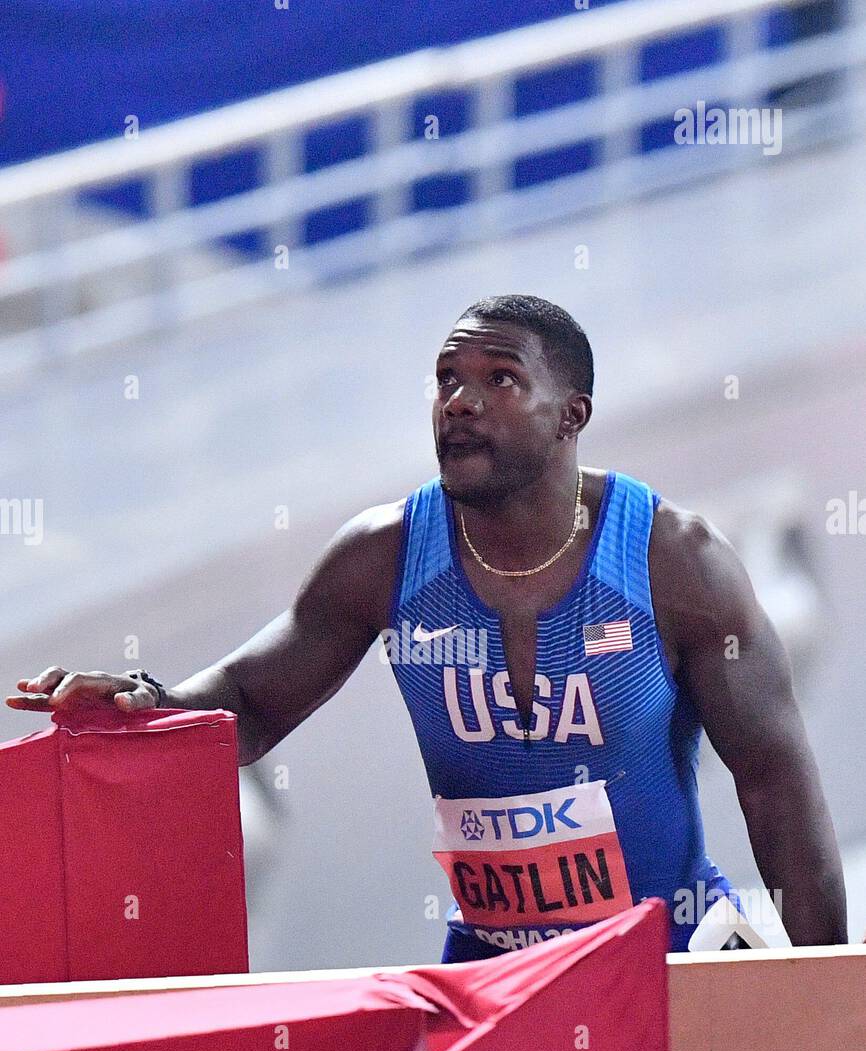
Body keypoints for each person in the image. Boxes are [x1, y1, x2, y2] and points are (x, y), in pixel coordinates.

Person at [6, 295, 846, 959]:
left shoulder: (674, 561)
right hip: (490, 972)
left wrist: (829, 999)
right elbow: (249, 707)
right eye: (447, 379)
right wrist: (144, 706)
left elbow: (776, 787)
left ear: (571, 414)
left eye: (499, 379)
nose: (461, 402)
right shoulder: (386, 556)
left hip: (670, 956)